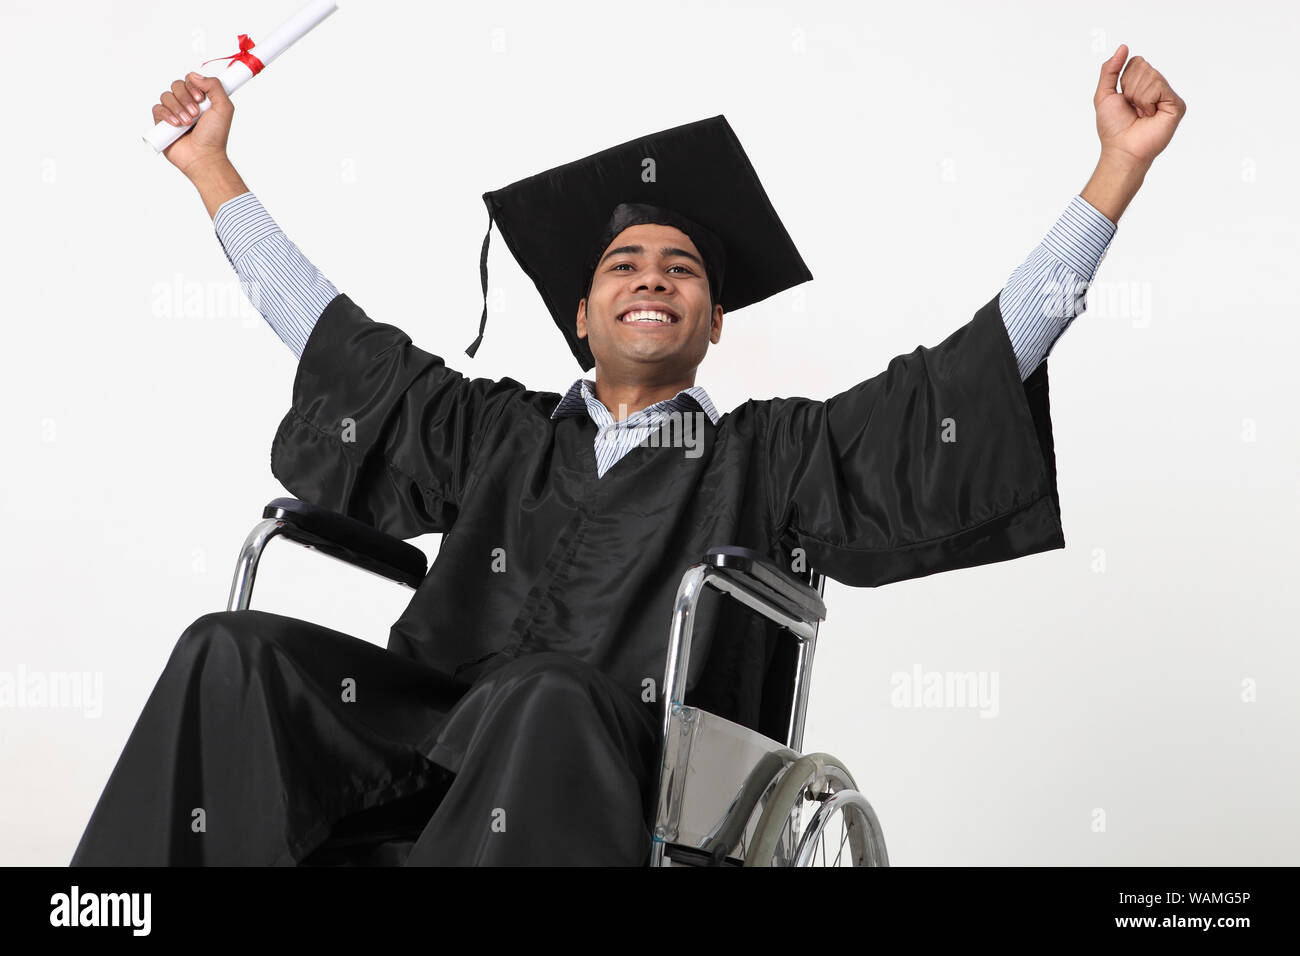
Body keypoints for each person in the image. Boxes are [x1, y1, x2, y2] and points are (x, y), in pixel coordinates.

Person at [70, 44, 1184, 867]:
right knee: (228, 650)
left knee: (547, 691)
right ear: (582, 316)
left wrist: (1112, 179)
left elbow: (965, 378)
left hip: (624, 758)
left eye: (681, 270)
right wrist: (213, 170)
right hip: (430, 725)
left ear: (710, 327)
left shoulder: (771, 452)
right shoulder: (494, 429)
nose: (652, 276)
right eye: (624, 265)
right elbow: (328, 334)